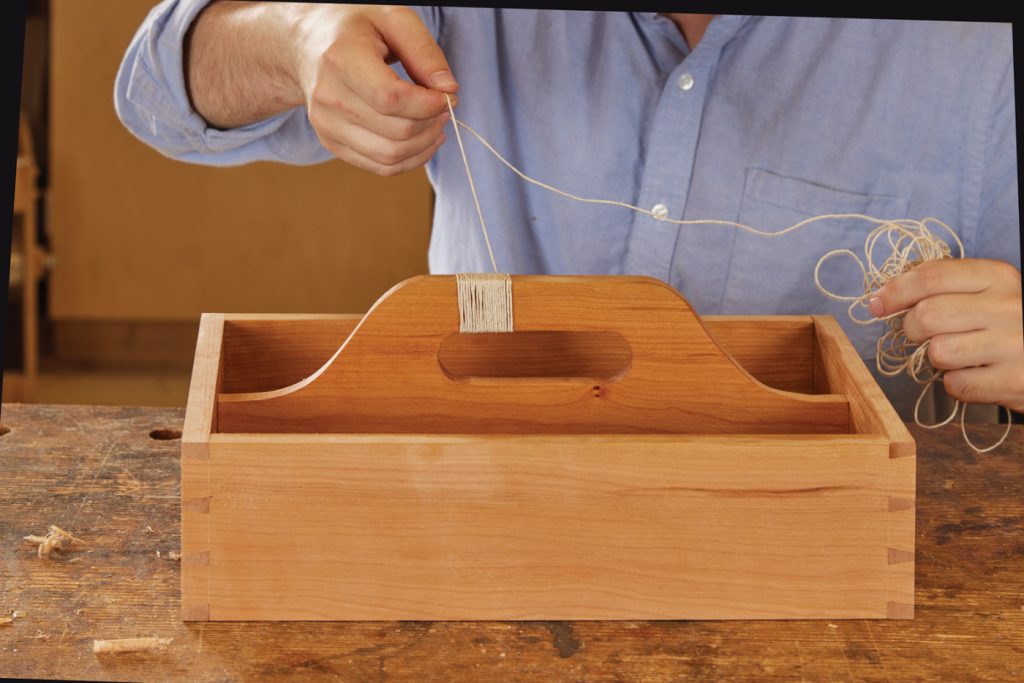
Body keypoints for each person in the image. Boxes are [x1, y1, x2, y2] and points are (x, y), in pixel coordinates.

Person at [115, 4, 1022, 422]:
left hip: (831, 557)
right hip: (481, 505)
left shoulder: (980, 53)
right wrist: (297, 37)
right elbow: (156, 89)